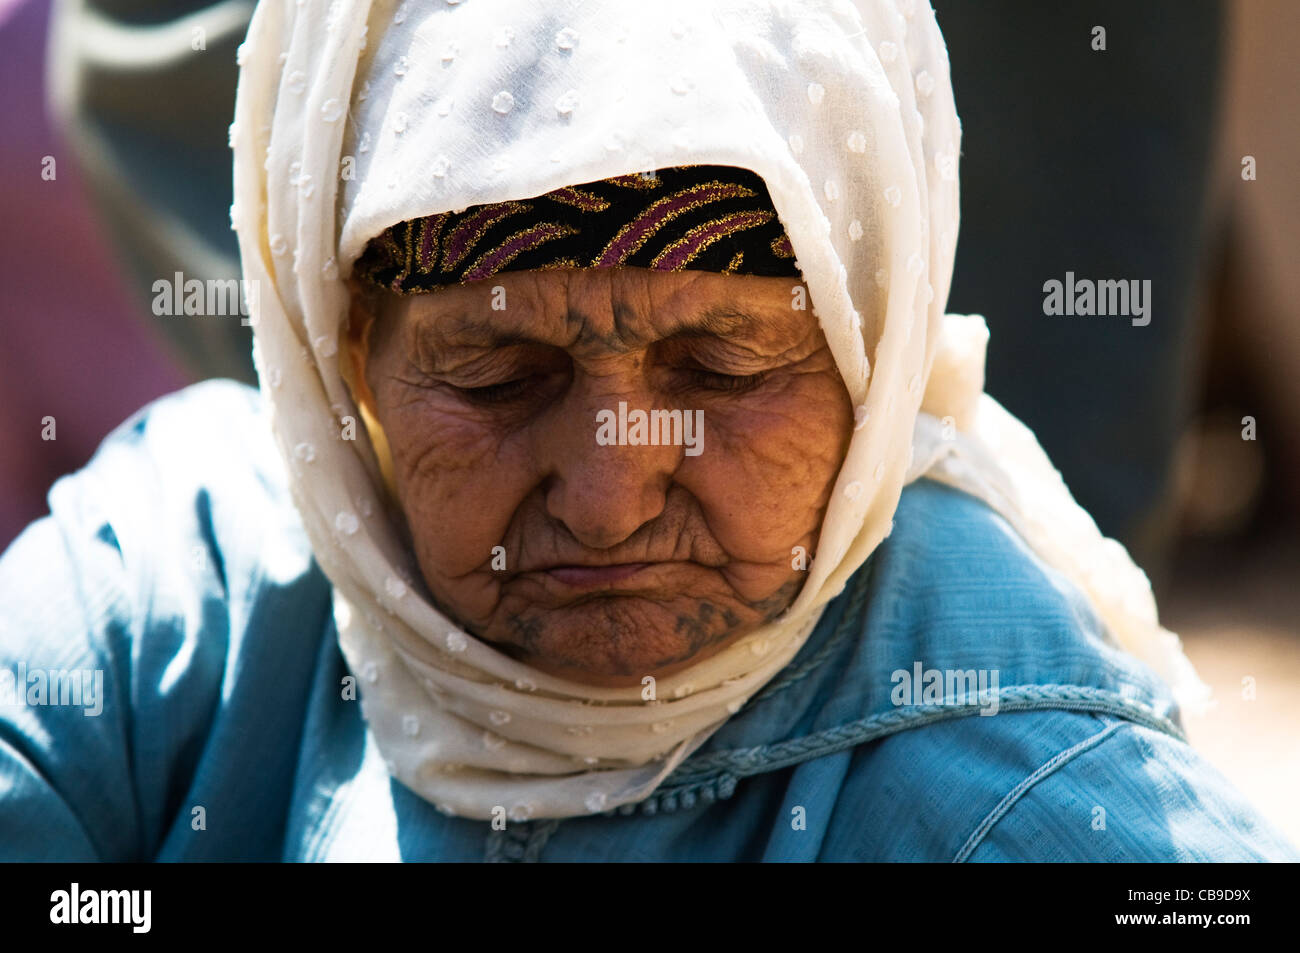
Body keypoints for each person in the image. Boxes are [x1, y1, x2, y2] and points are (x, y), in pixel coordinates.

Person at [1, 0, 1293, 862]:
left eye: (721, 366)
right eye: (500, 372)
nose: (609, 494)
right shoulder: (190, 596)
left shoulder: (1017, 784)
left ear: (873, 350)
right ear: (345, 357)